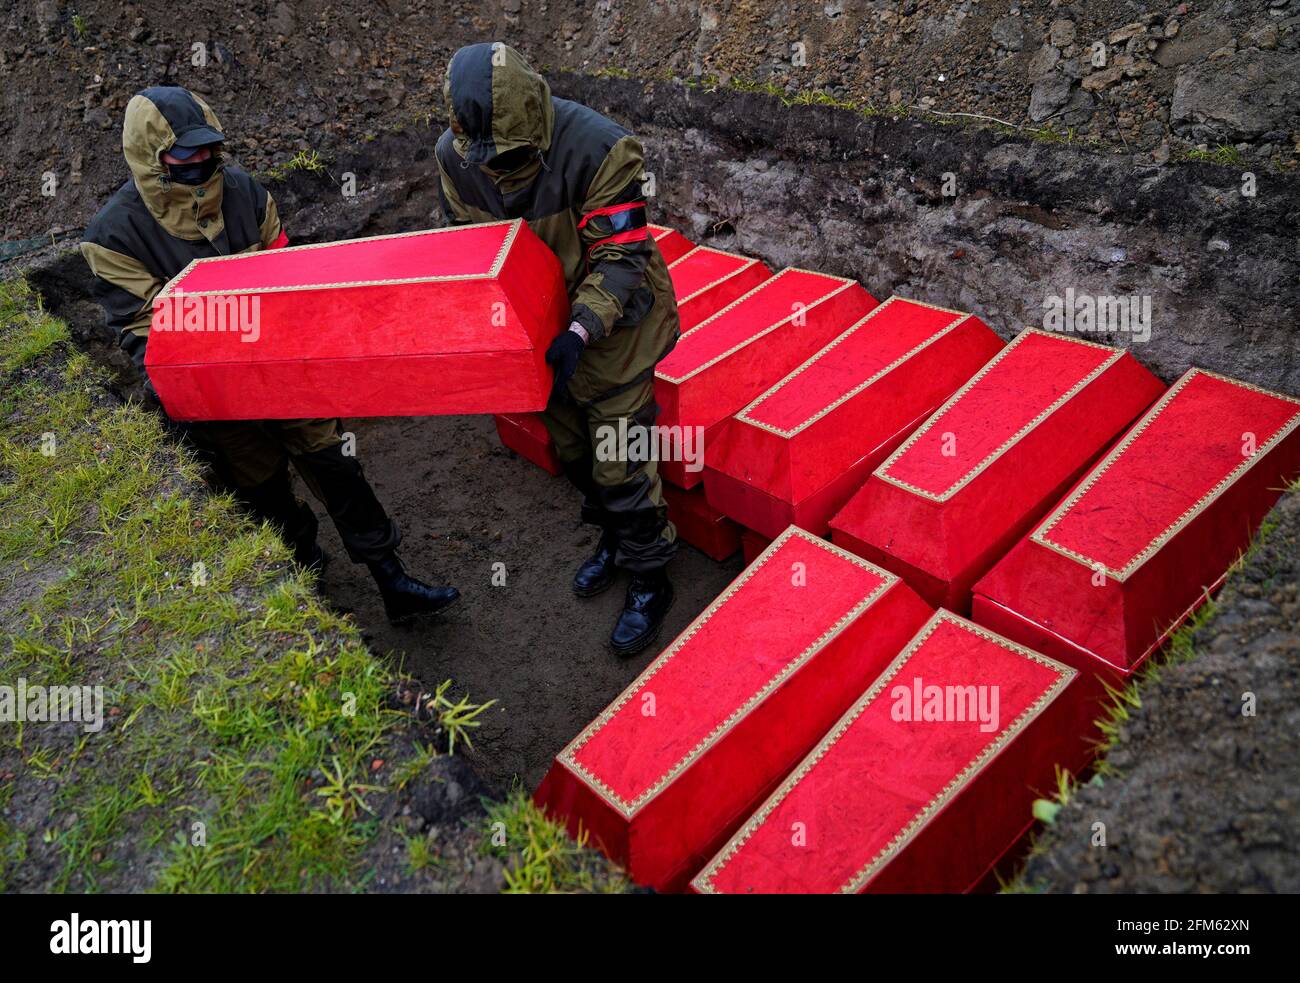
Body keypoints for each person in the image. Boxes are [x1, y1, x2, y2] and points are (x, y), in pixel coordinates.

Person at [80, 85, 458, 625]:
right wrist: (216, 341)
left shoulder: (246, 193)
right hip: (212, 393)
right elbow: (144, 331)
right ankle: (306, 582)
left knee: (337, 468)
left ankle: (392, 580)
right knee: (263, 491)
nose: (202, 161)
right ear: (151, 157)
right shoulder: (112, 236)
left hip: (283, 369)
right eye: (185, 153)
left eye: (209, 148)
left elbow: (287, 275)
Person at [435, 42, 680, 657]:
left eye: (513, 158)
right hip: (534, 334)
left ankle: (651, 575)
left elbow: (621, 258)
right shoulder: (455, 159)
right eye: (488, 159)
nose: (499, 170)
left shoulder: (599, 146)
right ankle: (613, 539)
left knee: (620, 459)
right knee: (572, 450)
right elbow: (470, 249)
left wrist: (579, 330)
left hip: (615, 329)